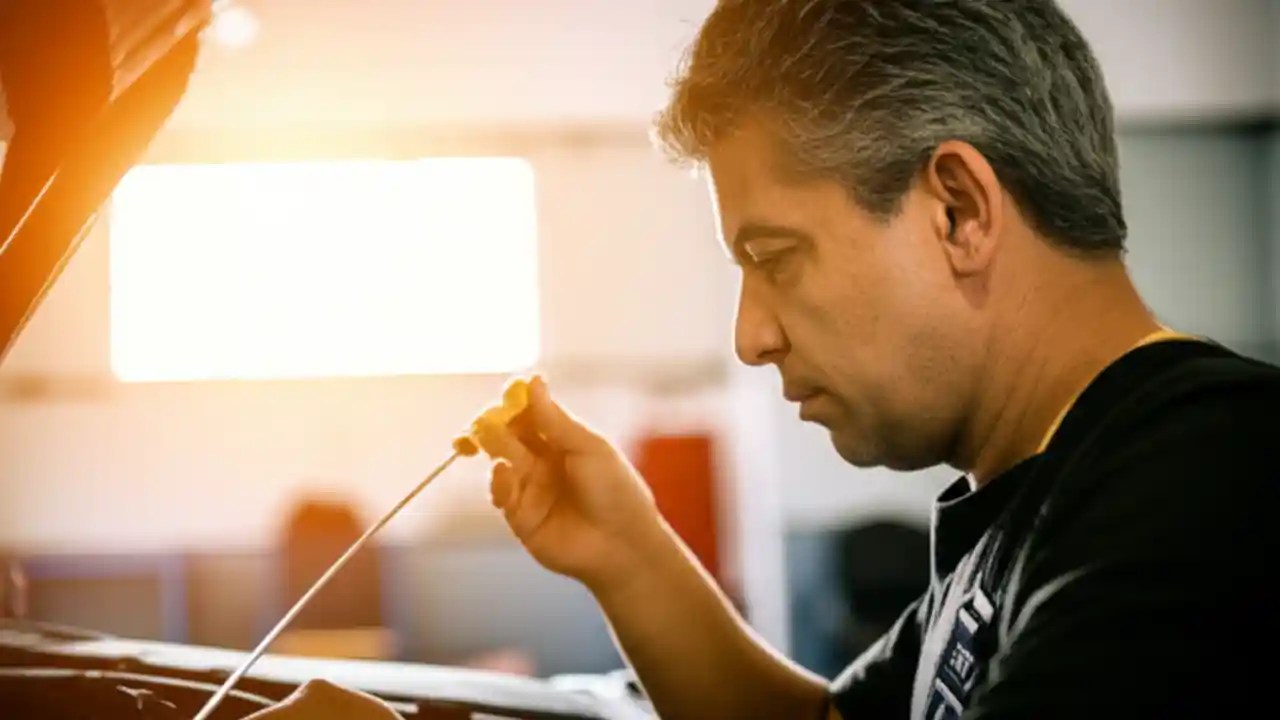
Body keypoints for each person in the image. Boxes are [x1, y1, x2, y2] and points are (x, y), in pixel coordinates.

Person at [255, 1, 1279, 717]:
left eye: (775, 258)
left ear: (958, 211)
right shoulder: (1037, 500)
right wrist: (628, 554)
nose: (751, 337)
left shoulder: (1207, 483)